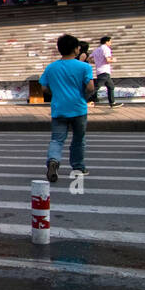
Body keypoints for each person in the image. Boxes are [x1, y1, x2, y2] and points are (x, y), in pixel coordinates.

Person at [39, 33, 95, 183]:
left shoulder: (51, 68)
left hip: (59, 109)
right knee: (78, 139)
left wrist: (56, 93)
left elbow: (44, 88)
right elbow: (90, 87)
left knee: (57, 140)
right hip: (79, 109)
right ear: (76, 49)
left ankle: (53, 161)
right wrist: (84, 97)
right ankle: (78, 167)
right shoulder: (84, 67)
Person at [90, 36, 121, 108]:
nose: (111, 43)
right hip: (104, 71)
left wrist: (97, 62)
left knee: (111, 86)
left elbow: (89, 59)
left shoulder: (97, 49)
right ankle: (83, 100)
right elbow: (108, 60)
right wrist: (114, 60)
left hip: (100, 71)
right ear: (106, 42)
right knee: (96, 87)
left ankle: (112, 103)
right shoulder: (106, 49)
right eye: (110, 41)